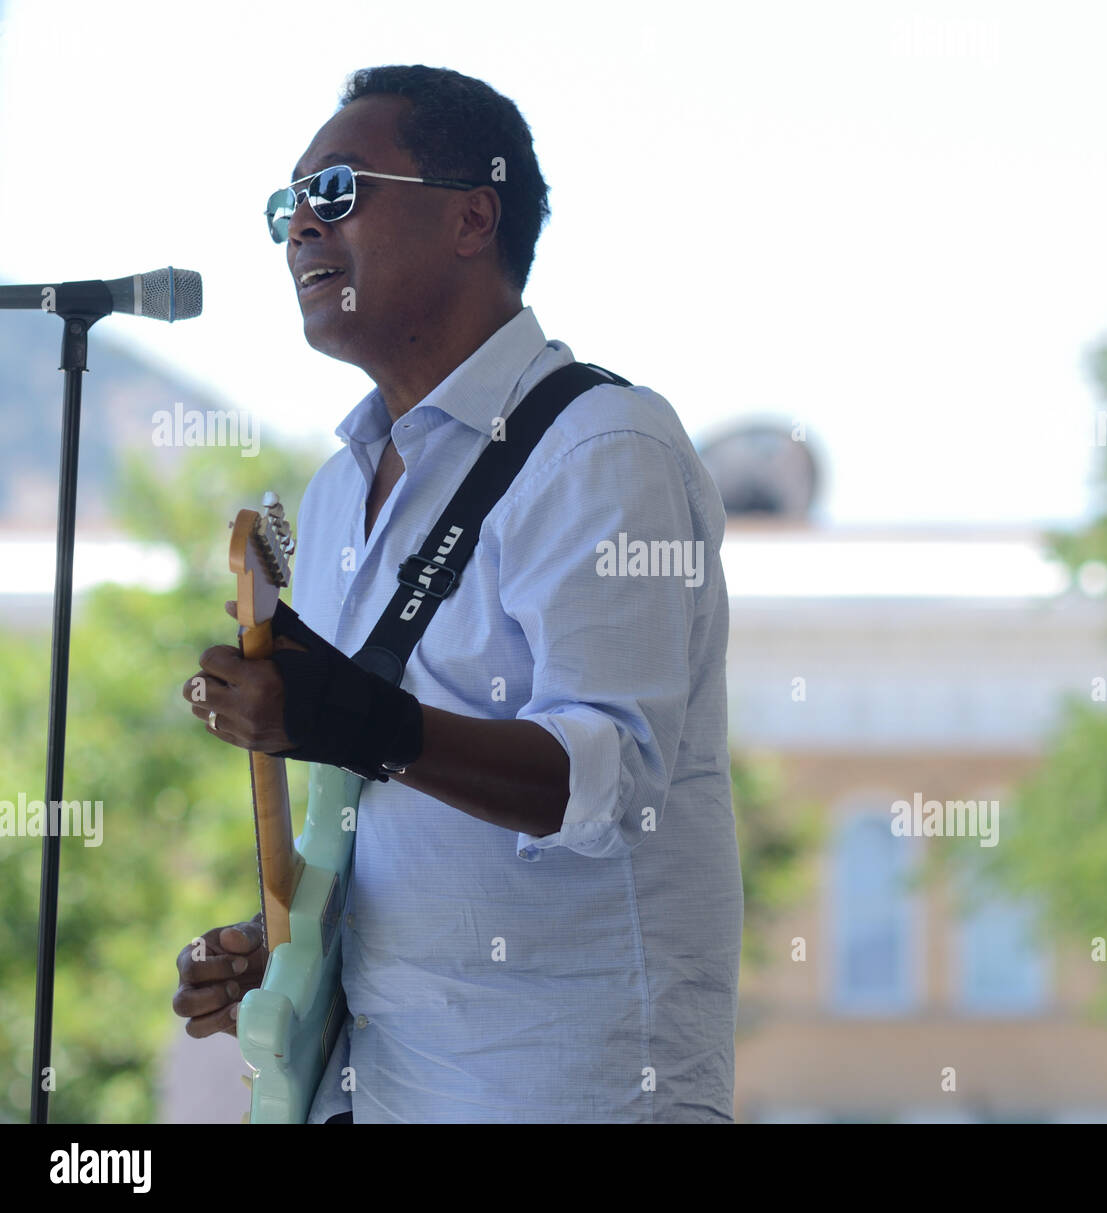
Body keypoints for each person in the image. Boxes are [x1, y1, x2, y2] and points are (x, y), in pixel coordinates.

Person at [170, 64, 743, 1123]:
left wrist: (358, 720)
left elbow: (599, 780)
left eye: (336, 190)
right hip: (387, 1089)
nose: (300, 226)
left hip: (575, 1088)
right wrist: (289, 952)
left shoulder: (602, 447)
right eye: (285, 206)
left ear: (472, 215)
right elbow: (389, 822)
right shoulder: (339, 491)